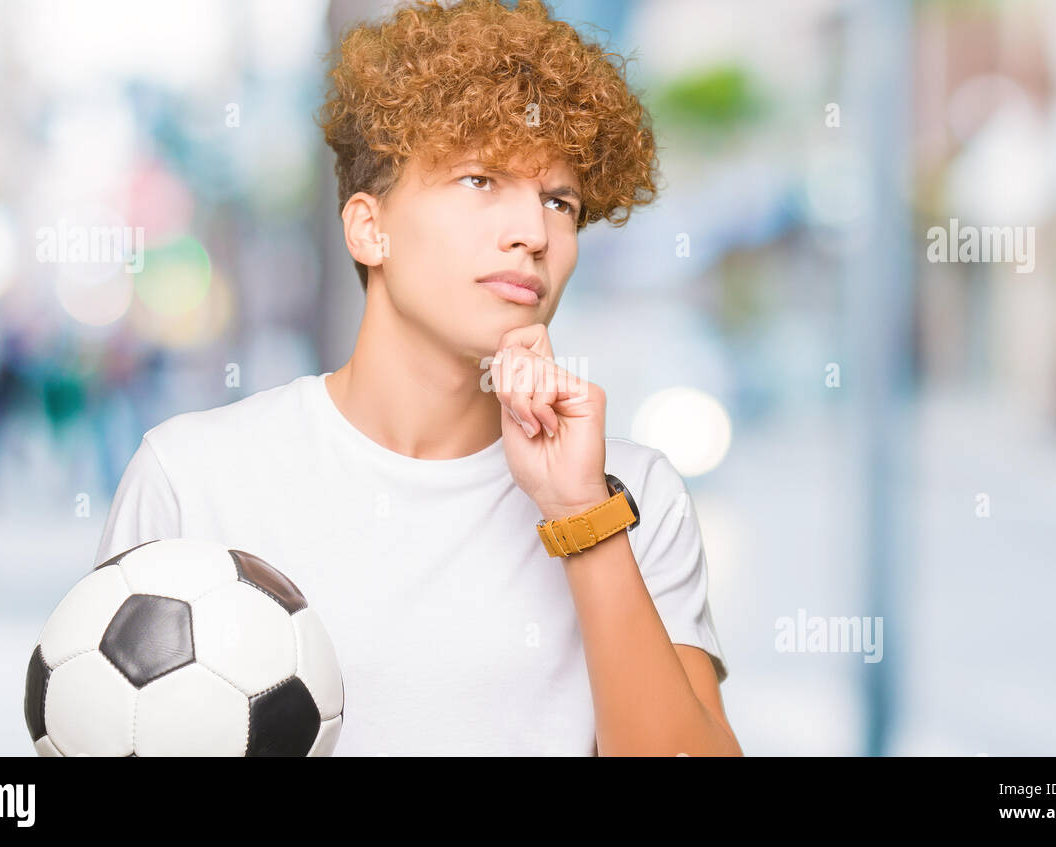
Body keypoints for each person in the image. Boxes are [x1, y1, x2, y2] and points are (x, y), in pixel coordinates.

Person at [95, 0, 739, 756]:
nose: (533, 233)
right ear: (370, 227)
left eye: (560, 200)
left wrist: (580, 514)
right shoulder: (192, 476)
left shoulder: (631, 491)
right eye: (479, 180)